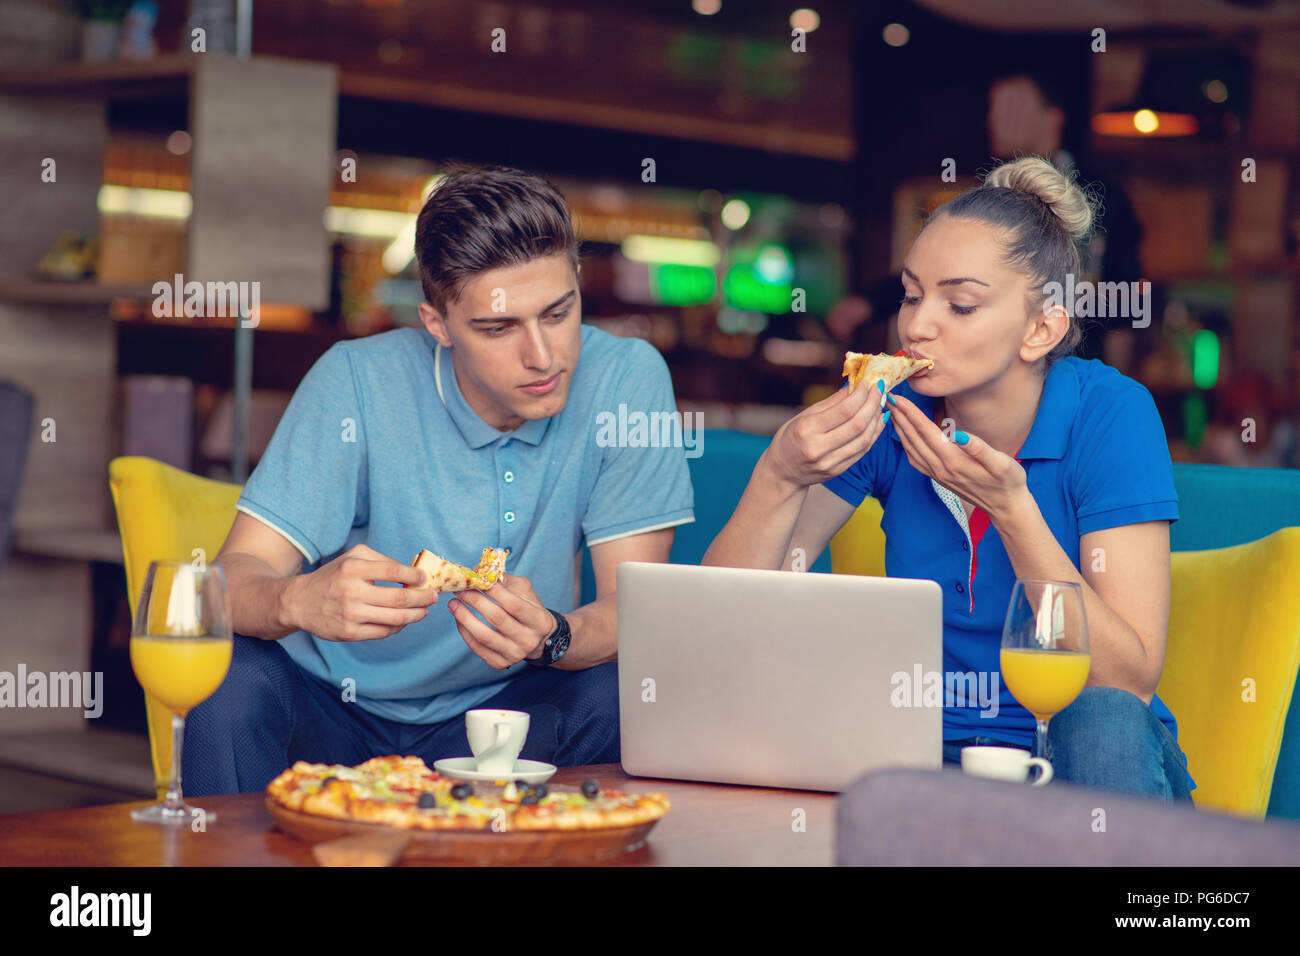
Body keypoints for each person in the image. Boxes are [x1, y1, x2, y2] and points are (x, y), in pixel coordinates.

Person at [184, 165, 695, 794]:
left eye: (558, 314)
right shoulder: (355, 381)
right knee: (226, 673)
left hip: (503, 718)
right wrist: (297, 599)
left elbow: (633, 610)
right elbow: (227, 583)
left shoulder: (625, 380)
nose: (543, 356)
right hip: (332, 719)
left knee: (618, 692)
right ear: (438, 325)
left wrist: (556, 636)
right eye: (498, 328)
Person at [704, 156, 1194, 802]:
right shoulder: (886, 417)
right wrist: (777, 475)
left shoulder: (1108, 413)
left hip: (1077, 759)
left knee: (1100, 718)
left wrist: (1013, 513)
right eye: (911, 295)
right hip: (920, 753)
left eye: (959, 304)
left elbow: (1125, 680)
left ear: (1041, 329)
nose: (916, 325)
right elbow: (716, 625)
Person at [987, 72, 1146, 366]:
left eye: (1012, 105)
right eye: (994, 106)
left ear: (1052, 118)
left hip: (1076, 367)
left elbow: (1126, 296)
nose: (996, 116)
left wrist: (1113, 387)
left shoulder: (1101, 195)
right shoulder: (989, 194)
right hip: (999, 365)